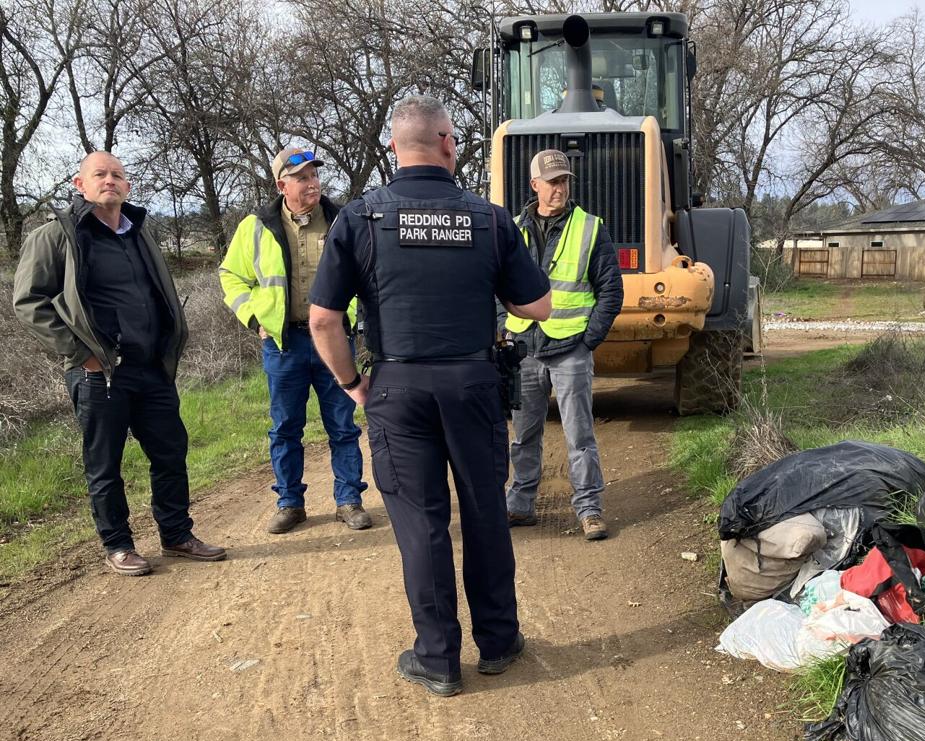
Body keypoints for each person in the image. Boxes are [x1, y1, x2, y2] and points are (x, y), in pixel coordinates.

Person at [308, 96, 551, 697]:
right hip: (472, 384)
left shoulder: (360, 220)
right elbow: (536, 306)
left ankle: (438, 660)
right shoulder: (490, 219)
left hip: (397, 387)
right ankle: (497, 643)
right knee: (486, 514)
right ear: (448, 143)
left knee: (421, 526)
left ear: (394, 147)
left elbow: (322, 320)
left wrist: (352, 385)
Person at [12, 152, 226, 575]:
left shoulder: (140, 232)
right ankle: (119, 545)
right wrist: (81, 355)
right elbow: (29, 302)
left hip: (151, 368)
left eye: (117, 175)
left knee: (170, 453)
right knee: (104, 465)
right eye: (100, 174)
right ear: (80, 184)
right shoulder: (57, 236)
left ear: (126, 185)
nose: (110, 181)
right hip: (99, 374)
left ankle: (177, 534)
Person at [219, 148, 371, 534]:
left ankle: (349, 500)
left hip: (334, 342)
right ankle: (290, 503)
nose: (312, 183)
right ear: (281, 184)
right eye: (301, 177)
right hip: (284, 345)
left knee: (343, 425)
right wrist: (254, 317)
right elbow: (231, 276)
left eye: (315, 175)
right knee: (285, 427)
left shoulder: (342, 220)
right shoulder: (257, 227)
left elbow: (366, 274)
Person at [502, 149, 624, 541]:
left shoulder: (590, 228)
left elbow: (611, 289)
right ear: (534, 184)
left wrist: (589, 339)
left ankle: (589, 509)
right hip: (525, 349)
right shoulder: (512, 228)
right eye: (552, 182)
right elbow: (494, 285)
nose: (559, 188)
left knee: (580, 435)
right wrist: (504, 329)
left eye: (564, 181)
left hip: (571, 349)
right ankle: (520, 504)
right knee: (524, 434)